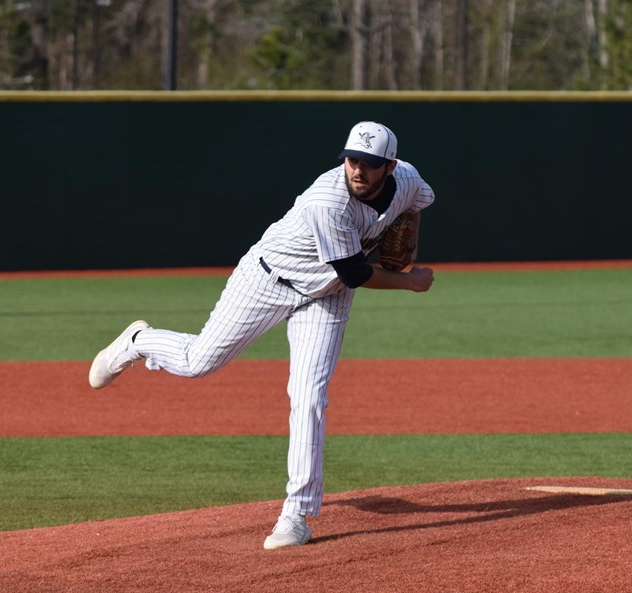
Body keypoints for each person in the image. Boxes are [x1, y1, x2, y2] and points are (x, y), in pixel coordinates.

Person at [88, 121, 435, 549]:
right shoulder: (328, 201)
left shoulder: (409, 180)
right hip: (270, 279)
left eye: (370, 163)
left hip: (326, 296)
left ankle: (297, 515)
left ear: (391, 165)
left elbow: (419, 201)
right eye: (352, 159)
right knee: (199, 362)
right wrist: (411, 280)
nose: (358, 169)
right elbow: (356, 272)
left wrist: (406, 224)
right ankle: (139, 342)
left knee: (308, 395)